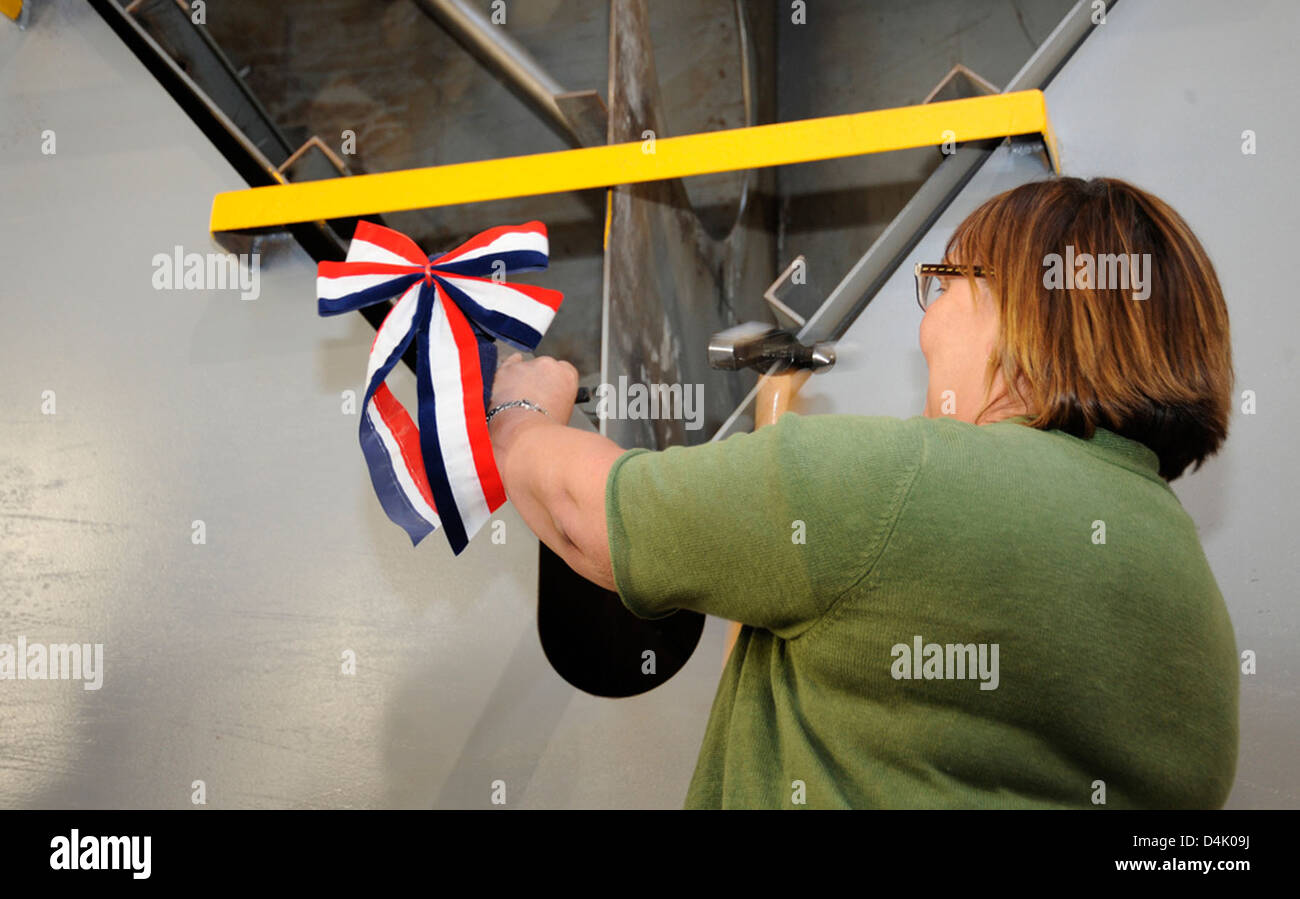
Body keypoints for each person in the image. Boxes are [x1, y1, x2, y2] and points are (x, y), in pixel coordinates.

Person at [486, 176, 1239, 809]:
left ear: (1029, 307)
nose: (929, 326)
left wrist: (521, 413)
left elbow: (593, 515)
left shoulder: (911, 481)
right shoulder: (1193, 599)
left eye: (945, 284)